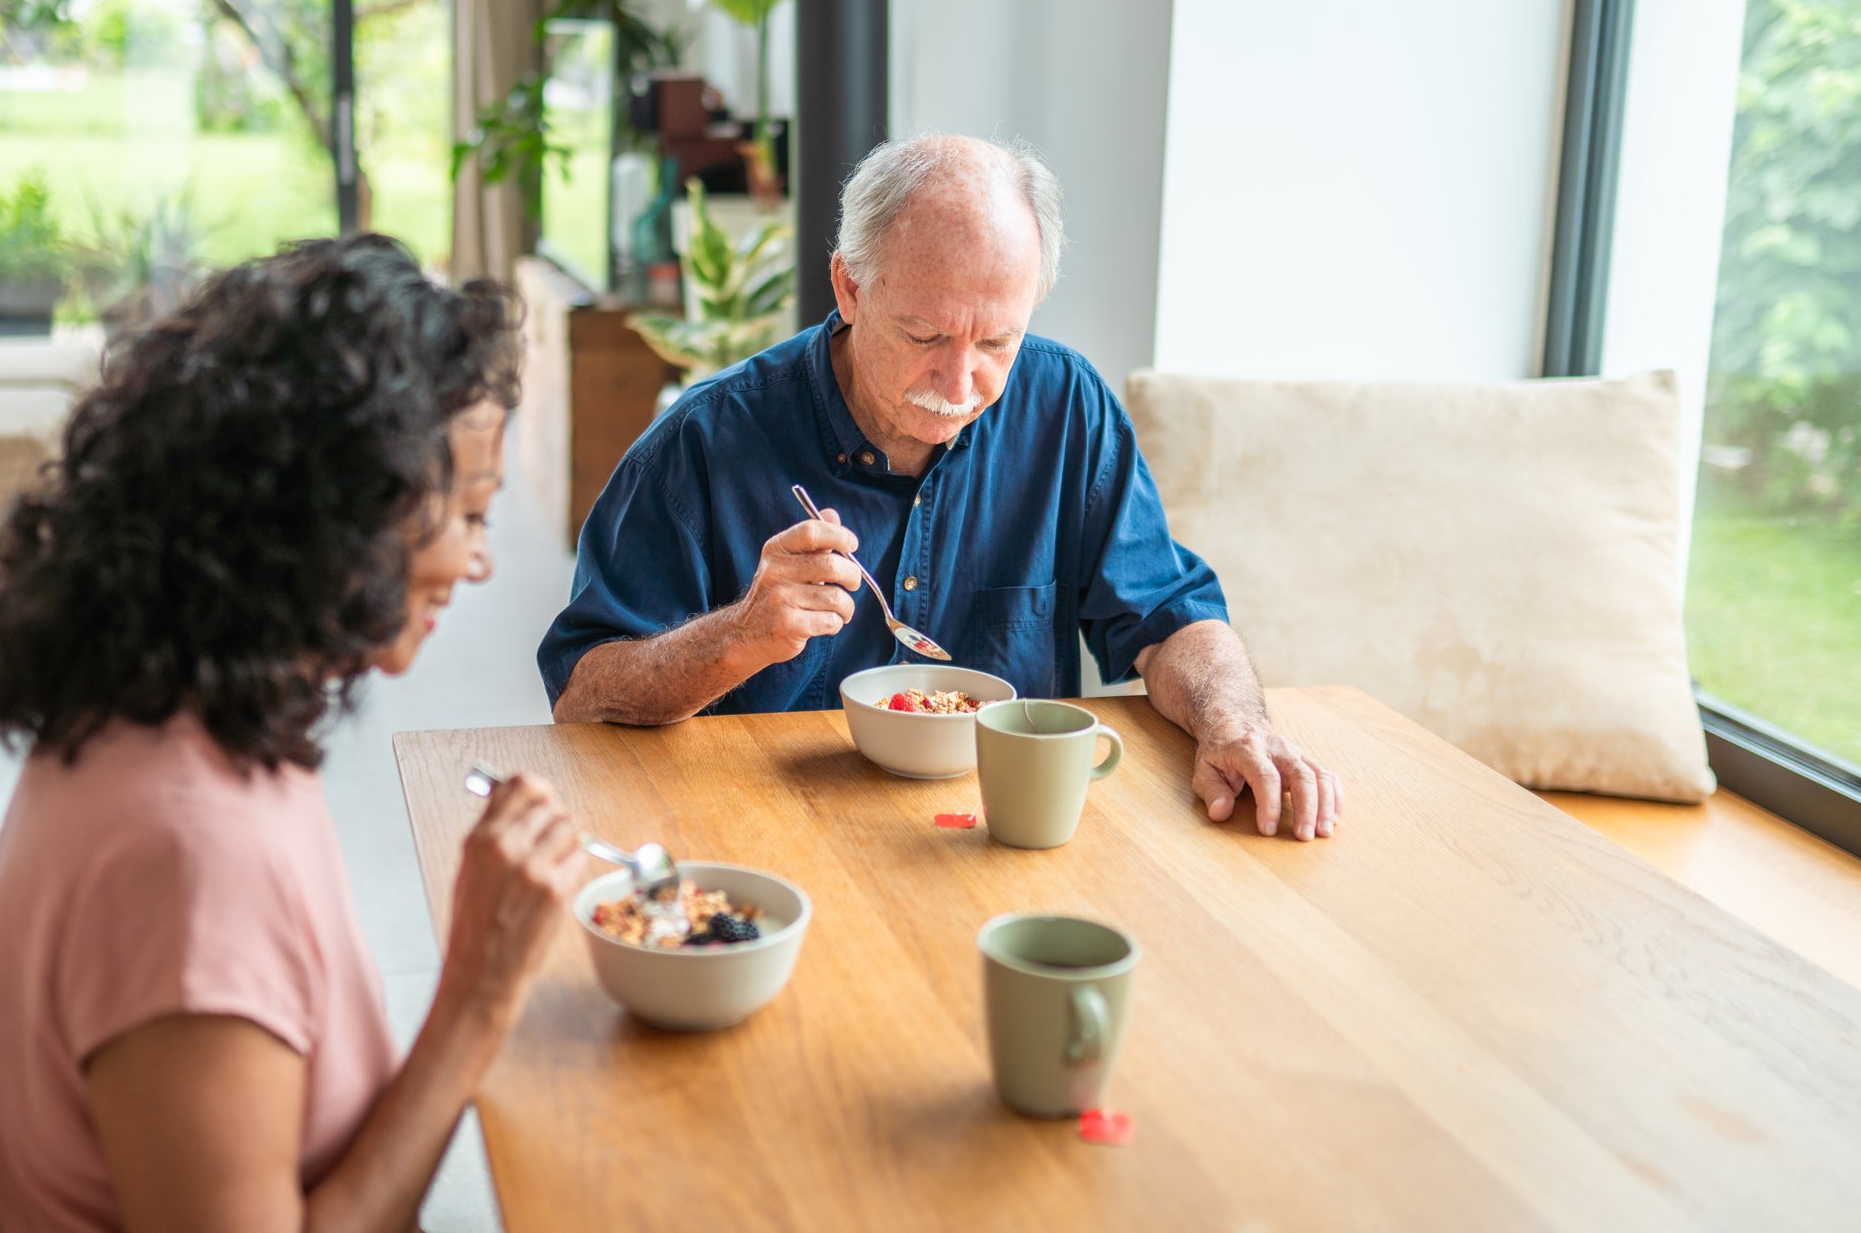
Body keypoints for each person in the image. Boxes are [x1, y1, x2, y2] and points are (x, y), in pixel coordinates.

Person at [0, 236, 584, 1231]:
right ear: (335, 517)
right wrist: (477, 995)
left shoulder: (166, 700)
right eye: (468, 514)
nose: (482, 563)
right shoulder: (187, 859)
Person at [540, 135, 1341, 842]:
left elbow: (1168, 620)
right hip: (765, 844)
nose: (960, 382)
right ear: (849, 288)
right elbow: (580, 697)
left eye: (996, 340)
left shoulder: (1064, 407)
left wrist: (1235, 722)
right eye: (924, 335)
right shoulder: (704, 441)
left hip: (997, 838)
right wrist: (736, 637)